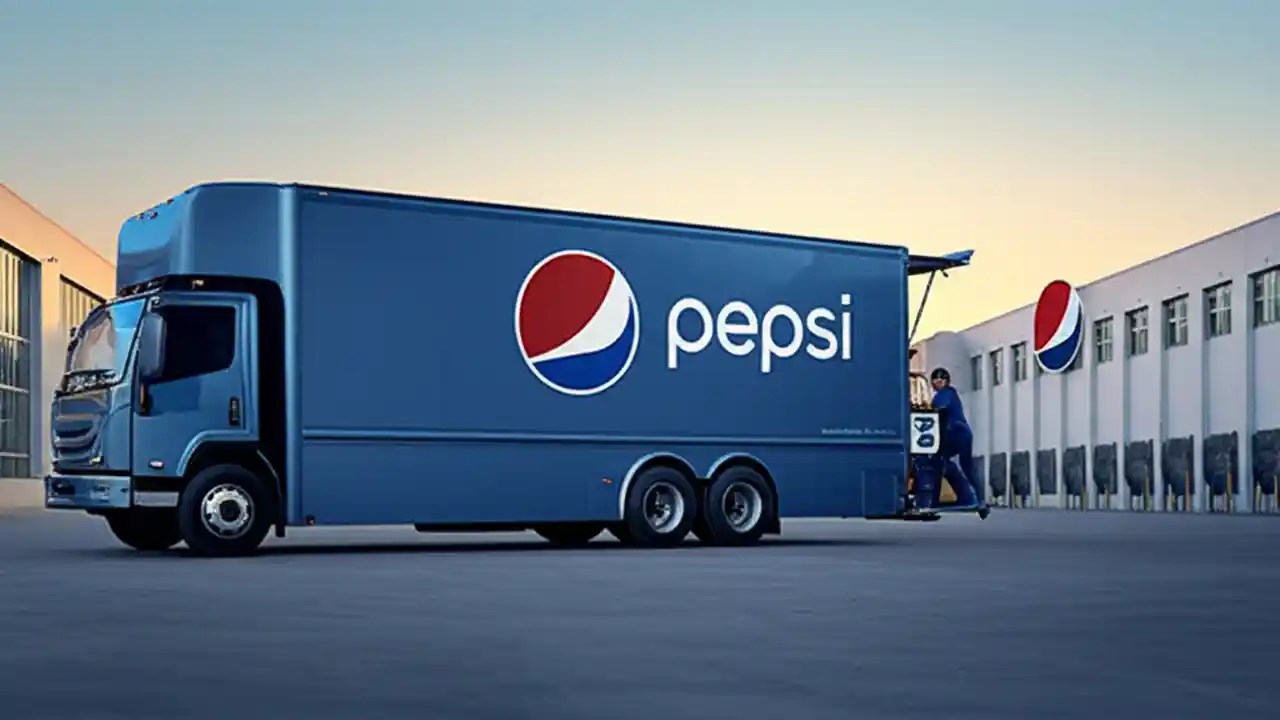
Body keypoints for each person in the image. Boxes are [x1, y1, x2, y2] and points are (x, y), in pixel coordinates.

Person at [924, 367, 983, 510]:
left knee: (937, 462)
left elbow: (940, 409)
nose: (938, 383)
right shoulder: (952, 393)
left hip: (954, 434)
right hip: (964, 434)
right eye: (936, 381)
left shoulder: (945, 394)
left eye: (940, 381)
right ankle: (977, 498)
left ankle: (935, 500)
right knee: (964, 467)